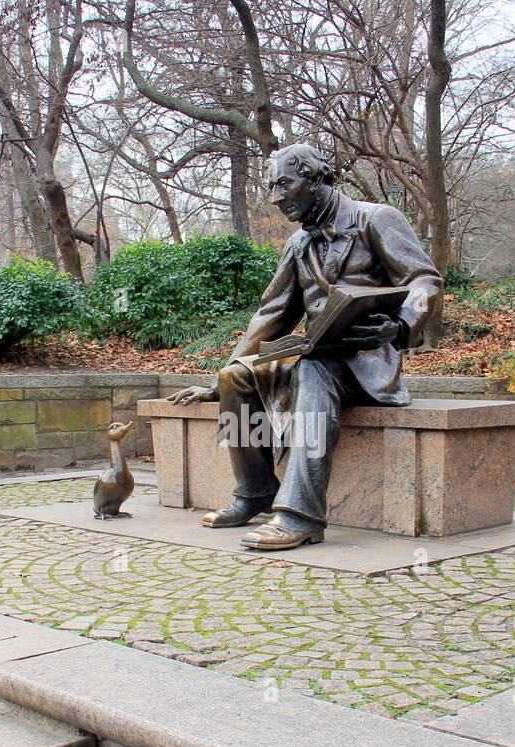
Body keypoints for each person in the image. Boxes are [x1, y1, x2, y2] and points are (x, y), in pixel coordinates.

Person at [165, 143, 442, 550]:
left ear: (315, 179)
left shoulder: (375, 219)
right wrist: (215, 381)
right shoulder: (298, 244)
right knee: (235, 379)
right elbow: (270, 315)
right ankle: (254, 491)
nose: (276, 198)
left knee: (312, 368)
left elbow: (424, 281)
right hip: (317, 351)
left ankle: (301, 514)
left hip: (366, 361)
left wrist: (401, 325)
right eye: (271, 187)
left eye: (284, 185)